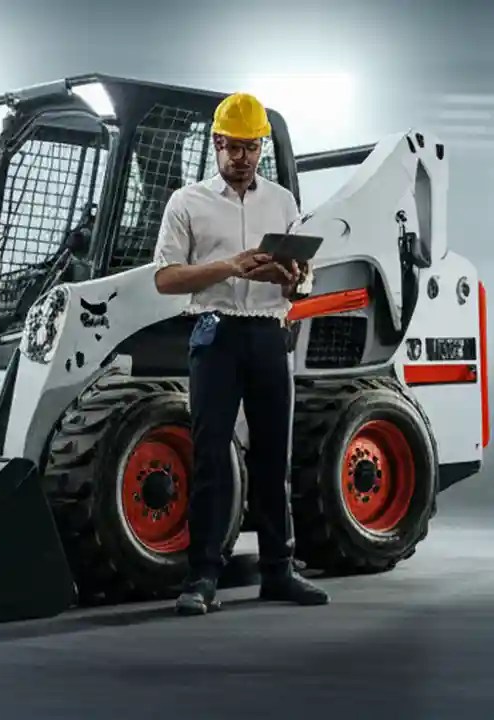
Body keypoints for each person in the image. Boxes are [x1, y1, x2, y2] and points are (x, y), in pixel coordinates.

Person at [152, 91, 330, 615]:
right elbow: (166, 278)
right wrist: (230, 266)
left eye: (251, 148)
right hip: (216, 335)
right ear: (216, 144)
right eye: (233, 148)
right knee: (210, 457)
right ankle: (202, 577)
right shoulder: (187, 203)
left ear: (260, 149)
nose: (242, 158)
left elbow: (304, 281)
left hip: (269, 335)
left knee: (275, 457)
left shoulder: (283, 202)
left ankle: (279, 572)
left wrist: (297, 281)